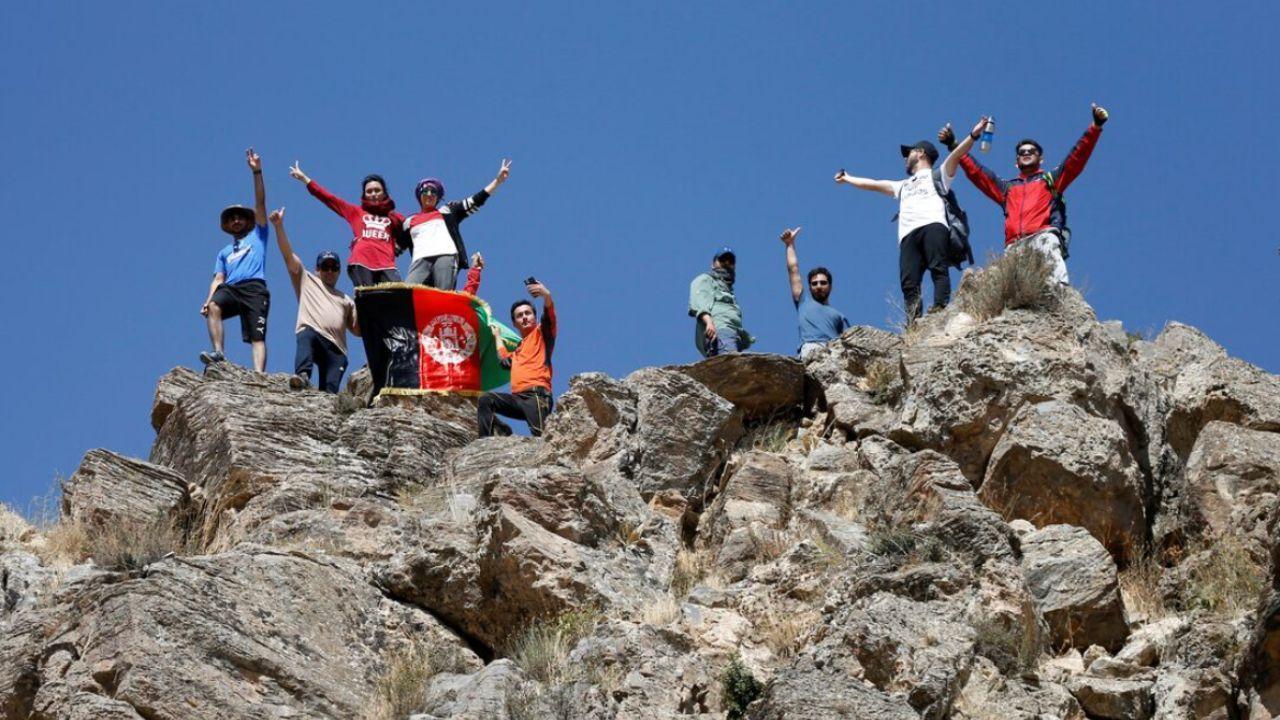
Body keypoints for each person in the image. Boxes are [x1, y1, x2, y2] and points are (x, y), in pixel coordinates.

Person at [834, 117, 986, 321]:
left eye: (909, 153)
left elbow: (957, 154)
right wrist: (848, 178)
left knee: (938, 268)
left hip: (933, 225)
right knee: (909, 282)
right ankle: (913, 324)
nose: (905, 158)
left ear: (921, 153)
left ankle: (940, 311)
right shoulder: (902, 185)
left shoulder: (939, 174)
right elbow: (873, 184)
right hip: (907, 235)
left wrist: (974, 134)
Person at [938, 104, 1109, 285]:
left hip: (1043, 235)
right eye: (1022, 153)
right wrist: (953, 145)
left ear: (1041, 158)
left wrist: (1095, 127)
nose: (1026, 153)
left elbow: (1076, 158)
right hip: (1015, 244)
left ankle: (1061, 294)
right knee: (1013, 291)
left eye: (1031, 152)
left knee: (1053, 276)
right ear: (1016, 162)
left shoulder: (1050, 180)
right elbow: (977, 173)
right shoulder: (1008, 189)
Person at [268, 207, 360, 393]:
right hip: (313, 333)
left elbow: (358, 330)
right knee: (306, 334)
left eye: (334, 267)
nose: (329, 271)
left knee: (330, 392)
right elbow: (288, 255)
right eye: (325, 267)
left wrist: (366, 305)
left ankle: (330, 408)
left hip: (337, 348)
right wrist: (279, 226)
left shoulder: (346, 299)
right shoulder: (306, 279)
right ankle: (302, 376)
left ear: (339, 271)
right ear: (317, 269)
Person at [201, 148, 270, 371]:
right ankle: (218, 353)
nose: (237, 221)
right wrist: (208, 298)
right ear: (228, 225)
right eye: (232, 219)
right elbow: (218, 278)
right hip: (231, 288)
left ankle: (259, 375)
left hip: (254, 287)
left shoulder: (258, 235)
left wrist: (257, 172)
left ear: (248, 221)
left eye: (240, 217)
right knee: (213, 307)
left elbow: (260, 204)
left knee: (257, 336)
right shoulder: (224, 252)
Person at [288, 162, 406, 287]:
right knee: (368, 300)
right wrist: (305, 179)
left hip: (387, 264)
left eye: (377, 190)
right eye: (369, 191)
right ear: (364, 195)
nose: (373, 194)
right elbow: (330, 199)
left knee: (397, 295)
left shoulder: (393, 217)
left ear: (384, 193)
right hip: (362, 262)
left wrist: (400, 246)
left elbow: (413, 229)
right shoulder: (356, 212)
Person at [403, 160, 511, 289]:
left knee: (444, 295)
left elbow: (475, 201)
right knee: (407, 292)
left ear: (438, 197)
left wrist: (498, 181)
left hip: (446, 256)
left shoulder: (447, 211)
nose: (429, 194)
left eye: (434, 191)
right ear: (419, 195)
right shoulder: (409, 222)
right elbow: (392, 246)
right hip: (419, 260)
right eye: (425, 191)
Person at [477, 280, 557, 437]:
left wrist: (546, 295)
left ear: (535, 317)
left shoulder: (542, 334)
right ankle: (484, 441)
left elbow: (549, 316)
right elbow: (505, 361)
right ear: (514, 323)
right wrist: (498, 337)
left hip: (537, 396)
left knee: (542, 438)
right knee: (486, 400)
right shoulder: (519, 349)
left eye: (528, 313)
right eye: (520, 316)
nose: (525, 317)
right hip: (518, 398)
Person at [780, 227, 850, 358]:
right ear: (810, 287)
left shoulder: (839, 316)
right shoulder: (803, 301)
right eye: (814, 283)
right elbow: (793, 269)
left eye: (823, 283)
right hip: (811, 348)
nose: (818, 286)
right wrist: (790, 245)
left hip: (833, 352)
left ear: (830, 286)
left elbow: (848, 341)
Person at [689, 247, 754, 357]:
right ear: (713, 264)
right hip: (720, 331)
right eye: (722, 260)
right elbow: (700, 302)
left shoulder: (727, 289)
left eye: (730, 261)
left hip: (730, 335)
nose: (726, 263)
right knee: (731, 366)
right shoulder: (706, 279)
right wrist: (709, 323)